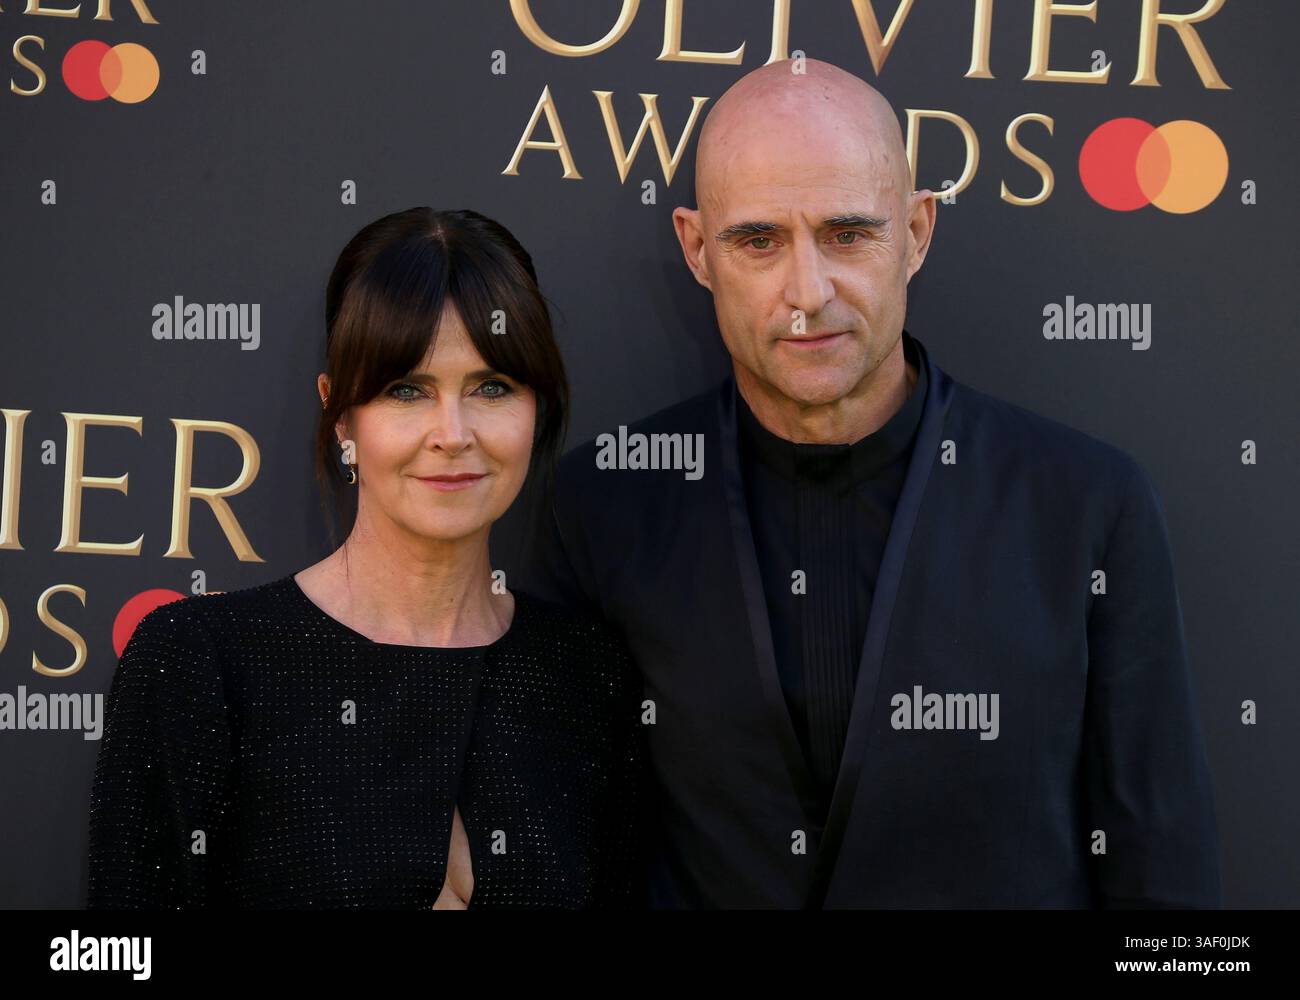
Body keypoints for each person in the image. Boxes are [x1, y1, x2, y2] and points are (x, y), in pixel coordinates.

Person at [519, 60, 1221, 908]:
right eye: (758, 241)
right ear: (697, 250)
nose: (807, 293)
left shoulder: (1087, 506)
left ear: (918, 233)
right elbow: (565, 844)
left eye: (848, 235)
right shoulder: (606, 504)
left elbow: (1165, 868)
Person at [87, 207, 646, 909]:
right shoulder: (202, 665)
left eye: (492, 387)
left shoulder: (588, 680)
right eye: (406, 390)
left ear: (538, 410)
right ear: (341, 417)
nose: (453, 433)